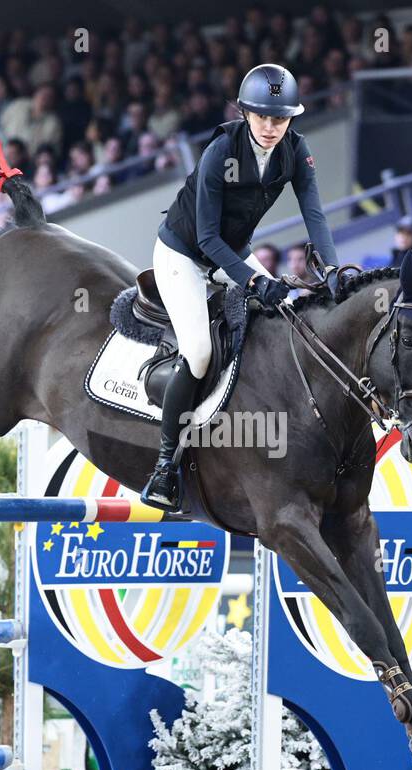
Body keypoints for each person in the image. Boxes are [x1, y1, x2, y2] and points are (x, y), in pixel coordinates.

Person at [145, 64, 340, 509]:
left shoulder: (296, 150)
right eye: (263, 118)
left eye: (281, 118)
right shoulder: (220, 150)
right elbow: (208, 238)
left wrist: (332, 270)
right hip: (183, 254)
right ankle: (163, 466)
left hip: (232, 250)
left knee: (285, 316)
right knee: (198, 352)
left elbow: (315, 215)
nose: (272, 128)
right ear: (246, 113)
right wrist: (253, 279)